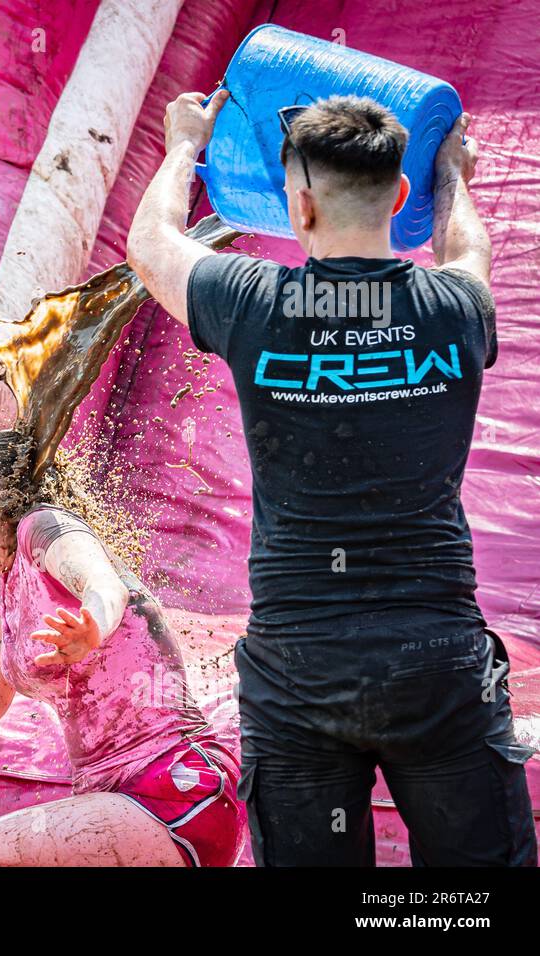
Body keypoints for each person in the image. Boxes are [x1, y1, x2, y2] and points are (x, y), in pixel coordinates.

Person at [126, 90, 536, 865]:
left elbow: (150, 245)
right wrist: (455, 172)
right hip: (439, 660)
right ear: (402, 195)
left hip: (298, 666)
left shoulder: (251, 301)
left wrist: (184, 144)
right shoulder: (457, 308)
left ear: (300, 208)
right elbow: (465, 249)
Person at [0, 431, 245, 866]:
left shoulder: (43, 527)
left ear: (11, 497)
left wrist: (92, 627)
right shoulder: (1, 586)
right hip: (113, 798)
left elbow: (103, 583)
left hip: (175, 792)